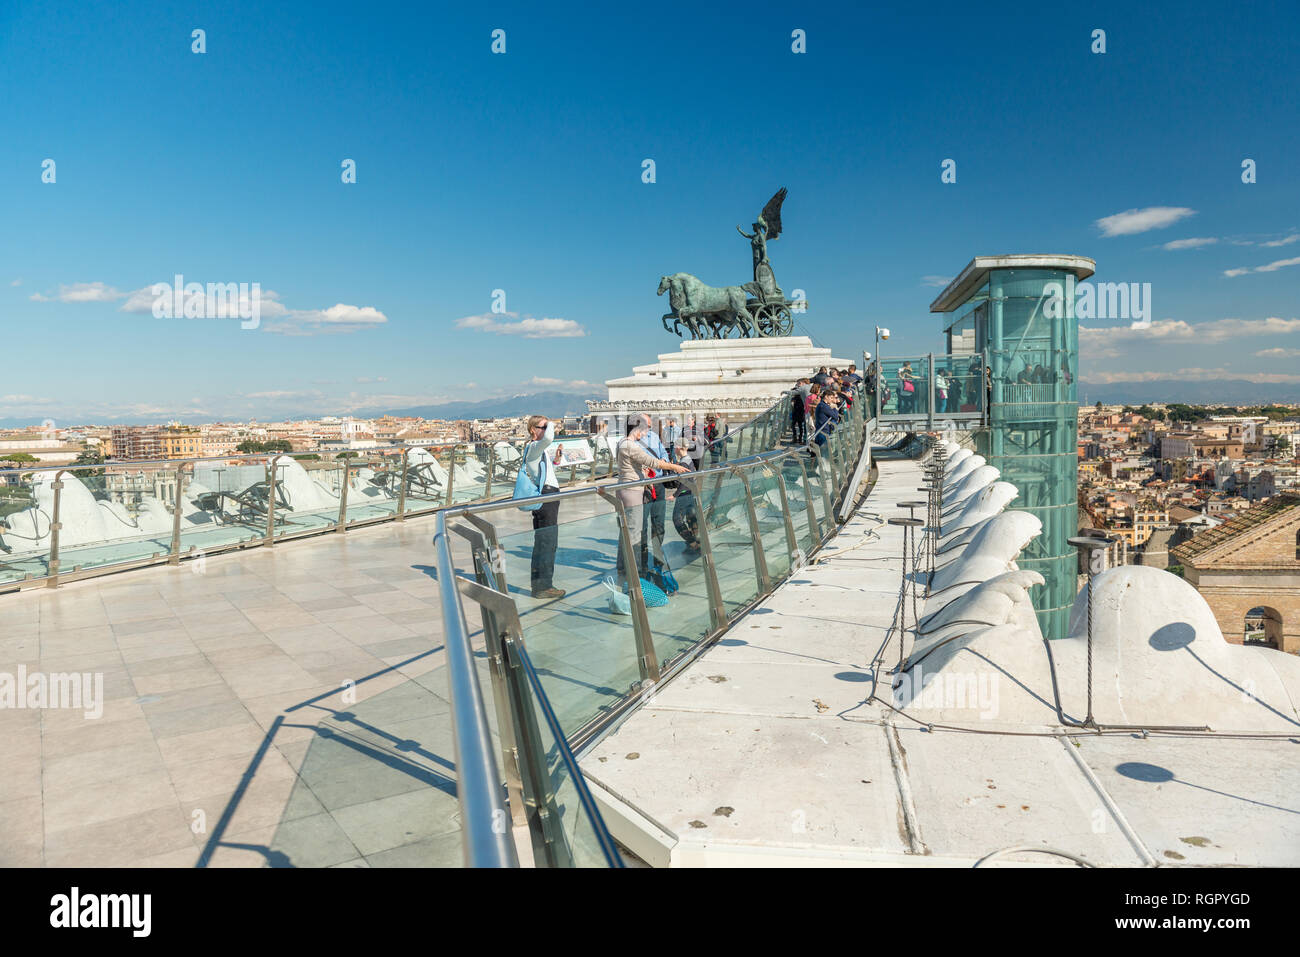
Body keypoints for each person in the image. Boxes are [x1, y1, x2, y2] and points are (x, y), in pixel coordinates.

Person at [616, 419, 689, 587]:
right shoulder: (629, 444)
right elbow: (651, 461)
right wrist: (674, 467)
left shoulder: (624, 443)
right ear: (637, 428)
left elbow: (644, 463)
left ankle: (634, 569)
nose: (646, 431)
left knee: (635, 528)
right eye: (645, 427)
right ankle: (634, 574)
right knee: (635, 531)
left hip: (637, 487)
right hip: (633, 491)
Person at [523, 415, 564, 600]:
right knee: (547, 542)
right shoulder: (533, 447)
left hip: (548, 495)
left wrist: (556, 460)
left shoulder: (538, 450)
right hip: (546, 498)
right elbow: (548, 438)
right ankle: (544, 586)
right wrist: (554, 424)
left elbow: (545, 473)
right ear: (533, 430)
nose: (547, 429)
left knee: (544, 542)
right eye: (543, 426)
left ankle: (540, 585)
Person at [670, 444, 701, 551]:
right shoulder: (689, 460)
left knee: (677, 519)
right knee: (691, 516)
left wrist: (674, 495)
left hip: (684, 494)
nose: (674, 449)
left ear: (678, 447)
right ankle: (697, 541)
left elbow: (685, 482)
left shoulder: (683, 463)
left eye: (675, 447)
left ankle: (693, 543)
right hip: (692, 492)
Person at [791, 379, 809, 443]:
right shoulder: (798, 390)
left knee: (798, 424)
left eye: (798, 383)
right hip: (799, 408)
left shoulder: (802, 390)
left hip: (799, 408)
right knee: (797, 424)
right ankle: (798, 438)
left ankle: (798, 438)